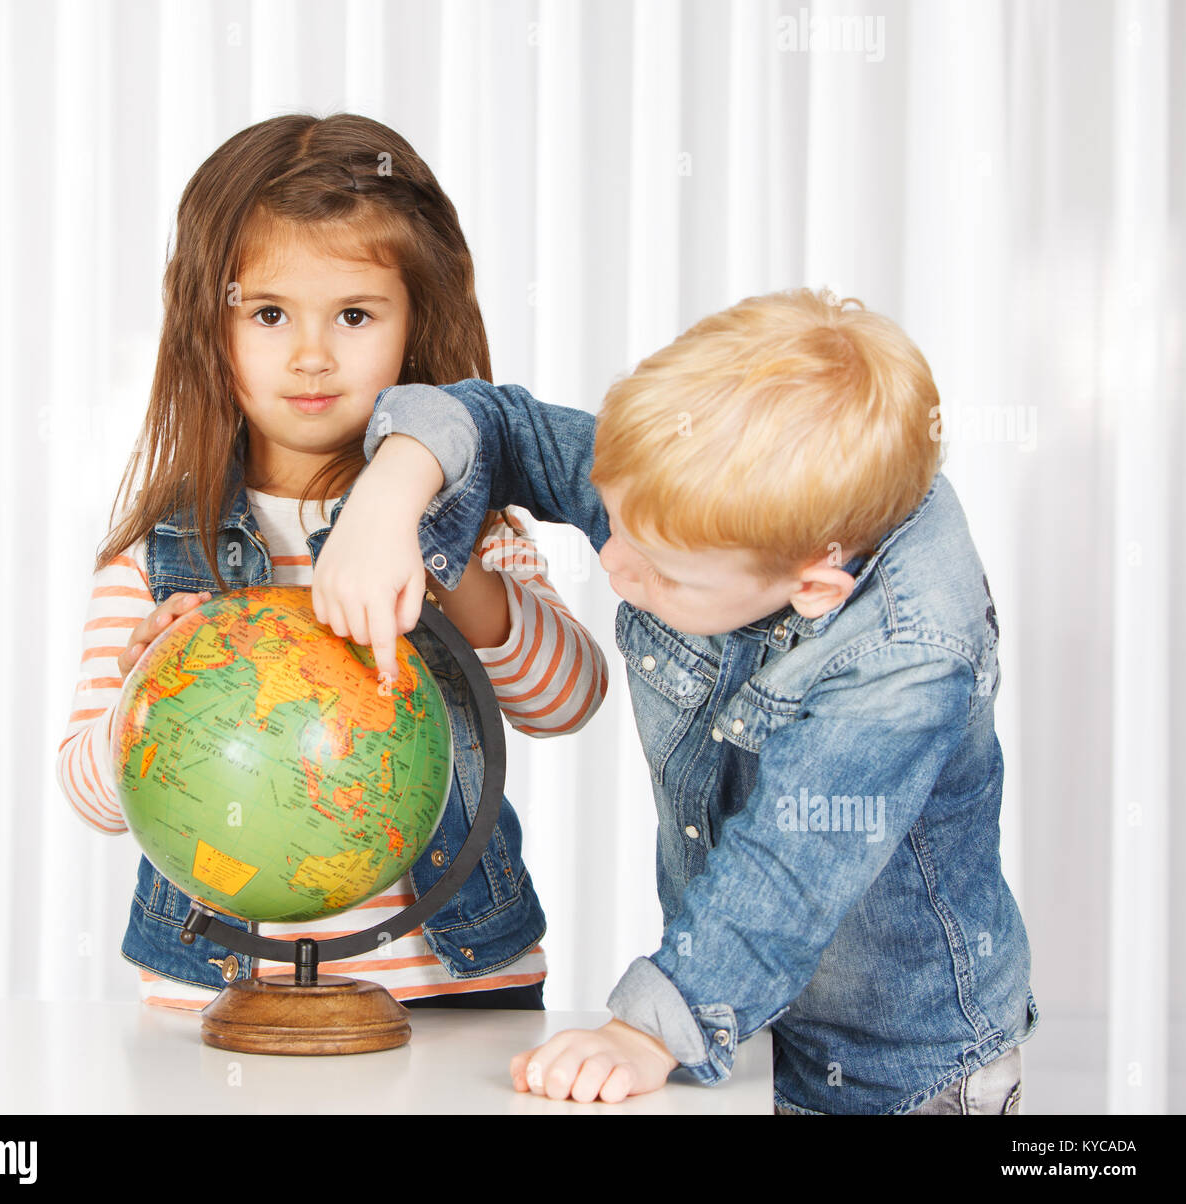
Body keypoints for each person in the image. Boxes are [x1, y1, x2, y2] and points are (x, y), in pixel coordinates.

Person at [309, 288, 1038, 1113]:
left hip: (896, 1067)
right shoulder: (685, 494)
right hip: (741, 1035)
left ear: (813, 587)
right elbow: (499, 424)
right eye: (612, 523)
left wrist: (648, 1032)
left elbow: (790, 870)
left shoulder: (909, 657)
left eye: (663, 575)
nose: (616, 565)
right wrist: (388, 498)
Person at [56, 113, 607, 1012]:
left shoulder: (461, 519)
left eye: (354, 315)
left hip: (450, 986)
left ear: (412, 324)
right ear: (210, 328)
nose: (312, 355)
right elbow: (93, 798)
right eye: (269, 314)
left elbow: (569, 698)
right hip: (222, 1002)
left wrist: (449, 571)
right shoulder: (156, 551)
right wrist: (141, 687)